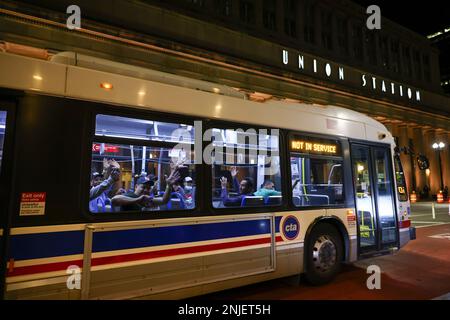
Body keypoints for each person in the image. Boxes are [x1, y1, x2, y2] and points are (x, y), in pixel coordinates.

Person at [111, 164, 182, 212]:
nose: (146, 190)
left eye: (148, 188)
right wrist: (138, 200)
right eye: (143, 187)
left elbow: (164, 200)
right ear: (136, 187)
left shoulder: (147, 199)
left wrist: (169, 186)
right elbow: (114, 200)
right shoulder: (130, 195)